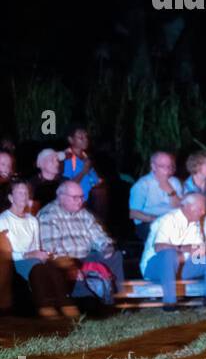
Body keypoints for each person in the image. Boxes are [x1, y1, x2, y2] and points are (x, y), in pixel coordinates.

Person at [38, 180, 127, 298]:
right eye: (75, 197)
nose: (80, 201)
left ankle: (117, 298)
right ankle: (87, 299)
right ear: (61, 197)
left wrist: (106, 247)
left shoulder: (84, 214)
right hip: (66, 259)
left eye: (81, 197)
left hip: (86, 256)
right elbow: (51, 249)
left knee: (115, 255)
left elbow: (98, 236)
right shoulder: (48, 215)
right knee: (68, 265)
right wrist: (72, 265)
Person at [1, 180, 76, 318]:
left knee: (50, 265)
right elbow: (4, 254)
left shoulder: (32, 220)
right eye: (20, 193)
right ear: (11, 197)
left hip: (32, 259)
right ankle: (45, 305)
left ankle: (65, 303)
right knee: (38, 268)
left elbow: (36, 247)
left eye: (26, 193)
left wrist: (43, 254)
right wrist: (28, 255)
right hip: (16, 260)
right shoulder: (3, 220)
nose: (24, 196)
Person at [140, 193, 206, 309]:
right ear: (186, 206)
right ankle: (170, 303)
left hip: (179, 267)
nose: (203, 212)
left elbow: (197, 254)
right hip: (154, 268)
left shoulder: (196, 223)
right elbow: (159, 247)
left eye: (204, 209)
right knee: (170, 254)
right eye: (200, 208)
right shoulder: (168, 220)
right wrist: (183, 249)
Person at [129, 152, 184, 241]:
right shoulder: (142, 185)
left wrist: (169, 190)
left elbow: (178, 207)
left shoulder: (174, 182)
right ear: (153, 166)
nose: (167, 170)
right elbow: (133, 213)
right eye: (162, 166)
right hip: (148, 222)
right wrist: (157, 219)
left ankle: (199, 254)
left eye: (169, 166)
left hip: (172, 221)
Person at [62, 126, 108, 218]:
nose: (85, 139)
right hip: (79, 202)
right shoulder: (67, 158)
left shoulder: (85, 157)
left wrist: (99, 181)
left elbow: (94, 180)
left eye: (86, 136)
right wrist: (83, 171)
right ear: (71, 140)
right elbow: (66, 185)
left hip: (92, 201)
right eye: (81, 137)